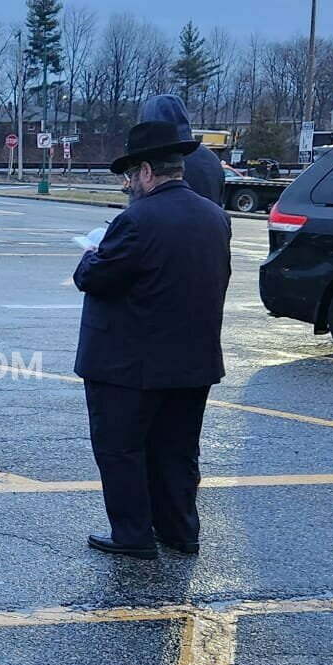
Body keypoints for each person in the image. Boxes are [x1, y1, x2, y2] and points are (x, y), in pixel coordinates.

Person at [73, 96, 232, 559]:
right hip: (194, 359)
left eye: (129, 176)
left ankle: (132, 534)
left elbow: (94, 278)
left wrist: (90, 253)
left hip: (130, 364)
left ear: (145, 172)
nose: (127, 185)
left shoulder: (136, 220)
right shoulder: (214, 216)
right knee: (178, 451)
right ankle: (181, 530)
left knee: (121, 448)